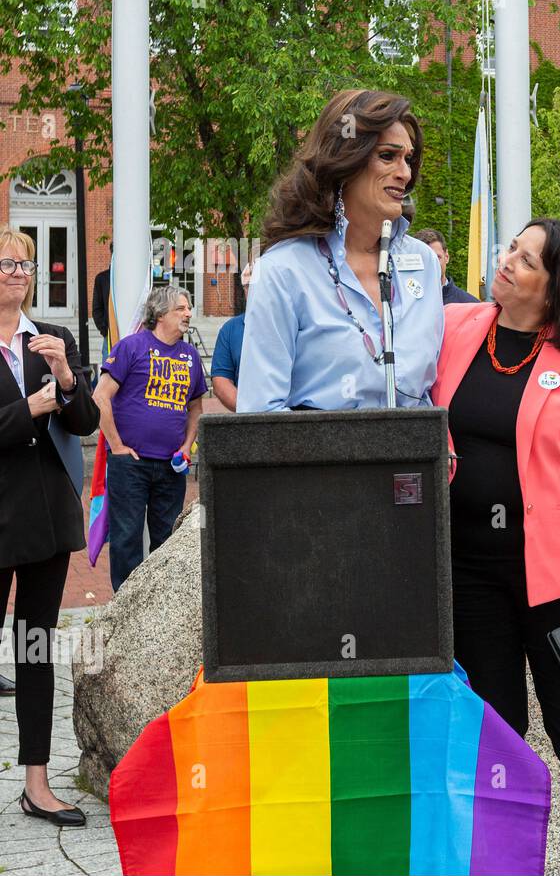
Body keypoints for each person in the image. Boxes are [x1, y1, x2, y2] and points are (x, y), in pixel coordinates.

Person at [431, 218, 560, 876]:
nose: (506, 263)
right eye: (511, 250)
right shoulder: (454, 329)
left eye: (524, 261)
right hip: (468, 577)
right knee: (492, 740)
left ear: (554, 293)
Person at [239, 89, 444, 412]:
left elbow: (432, 392)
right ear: (346, 161)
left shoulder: (424, 264)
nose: (404, 173)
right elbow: (259, 413)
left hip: (414, 461)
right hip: (318, 461)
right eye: (388, 156)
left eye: (408, 158)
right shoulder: (282, 270)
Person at [0, 227, 100, 826]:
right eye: (5, 262)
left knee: (35, 650)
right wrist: (27, 411)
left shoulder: (53, 338)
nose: (16, 271)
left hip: (44, 519)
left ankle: (36, 783)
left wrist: (65, 381)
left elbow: (86, 421)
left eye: (24, 263)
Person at [93, 286, 206, 591]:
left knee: (167, 540)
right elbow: (100, 397)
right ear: (159, 314)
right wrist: (116, 446)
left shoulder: (190, 354)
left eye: (189, 307)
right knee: (126, 538)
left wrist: (186, 447)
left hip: (171, 465)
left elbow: (196, 407)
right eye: (181, 308)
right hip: (131, 463)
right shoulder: (131, 347)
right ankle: (125, 610)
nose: (188, 314)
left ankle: (159, 611)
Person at [211, 262, 254, 412]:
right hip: (248, 418)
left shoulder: (291, 323)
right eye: (248, 285)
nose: (253, 289)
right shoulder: (230, 329)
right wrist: (248, 412)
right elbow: (221, 380)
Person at [413, 227, 478, 306]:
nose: (431, 264)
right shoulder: (403, 304)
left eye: (437, 257)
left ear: (446, 256)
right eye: (424, 259)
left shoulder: (469, 305)